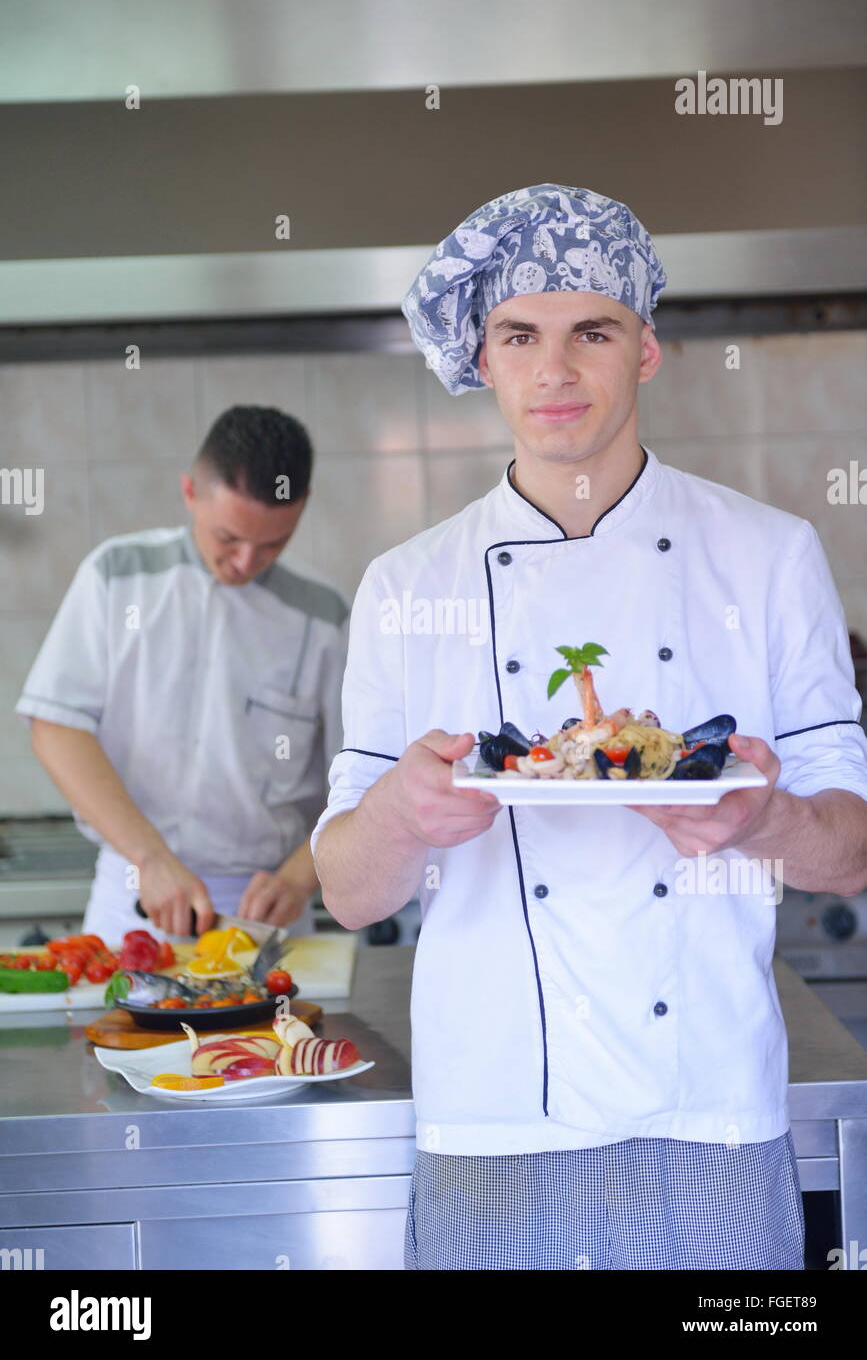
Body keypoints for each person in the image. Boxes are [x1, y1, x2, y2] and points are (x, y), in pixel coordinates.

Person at [310, 184, 867, 1270]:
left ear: (646, 351)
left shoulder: (768, 554)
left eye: (591, 332)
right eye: (521, 336)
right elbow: (349, 888)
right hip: (491, 1125)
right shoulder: (404, 584)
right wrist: (401, 816)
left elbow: (852, 849)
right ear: (484, 355)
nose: (554, 370)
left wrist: (764, 823)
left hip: (708, 1116)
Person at [17, 405, 349, 944]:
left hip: (266, 913)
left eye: (272, 545)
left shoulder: (326, 618)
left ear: (301, 509)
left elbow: (357, 777)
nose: (245, 561)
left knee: (281, 1034)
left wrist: (300, 876)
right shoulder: (116, 575)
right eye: (228, 538)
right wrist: (149, 856)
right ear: (190, 492)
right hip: (134, 896)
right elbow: (55, 726)